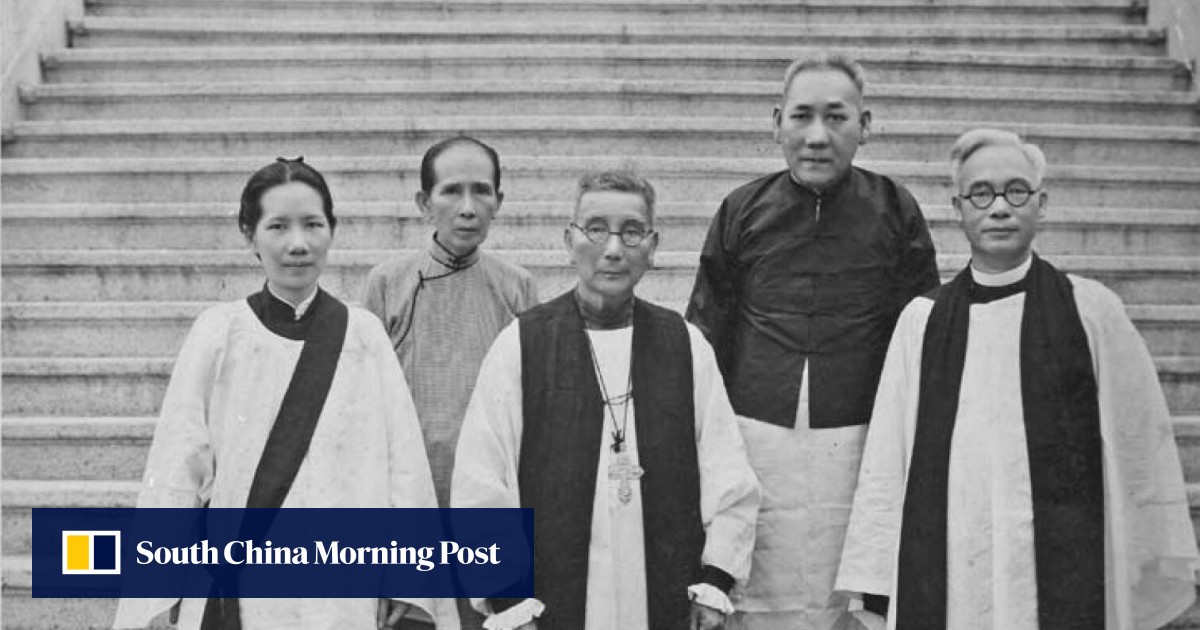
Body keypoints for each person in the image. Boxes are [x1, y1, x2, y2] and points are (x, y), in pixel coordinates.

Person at [835, 128, 1199, 630]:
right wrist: (873, 578)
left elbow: (1138, 445)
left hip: (1061, 559)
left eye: (1016, 191)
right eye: (981, 193)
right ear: (958, 206)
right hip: (952, 561)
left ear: (1041, 204)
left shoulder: (1092, 312)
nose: (999, 207)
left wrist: (1137, 557)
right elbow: (887, 461)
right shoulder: (922, 320)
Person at [112, 158, 458, 630]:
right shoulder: (219, 332)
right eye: (277, 226)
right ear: (249, 233)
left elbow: (405, 467)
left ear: (332, 230)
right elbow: (177, 468)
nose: (298, 244)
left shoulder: (364, 334)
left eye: (313, 224)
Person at [684, 54, 939, 629]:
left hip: (860, 442)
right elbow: (704, 335)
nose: (817, 136)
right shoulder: (741, 210)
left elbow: (921, 340)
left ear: (865, 125)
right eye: (801, 116)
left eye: (836, 117)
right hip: (756, 436)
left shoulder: (896, 211)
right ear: (777, 122)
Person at [451, 171, 761, 630]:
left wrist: (715, 581)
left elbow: (727, 473)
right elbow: (482, 480)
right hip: (548, 607)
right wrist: (508, 601)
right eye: (596, 229)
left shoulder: (685, 345)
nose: (613, 249)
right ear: (569, 240)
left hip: (665, 597)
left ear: (653, 246)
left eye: (631, 232)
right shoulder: (523, 343)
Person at [362, 135, 538, 508]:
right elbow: (365, 398)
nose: (468, 208)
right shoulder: (387, 283)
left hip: (491, 484)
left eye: (482, 192)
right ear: (425, 203)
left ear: (499, 202)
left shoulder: (516, 286)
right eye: (452, 192)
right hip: (411, 482)